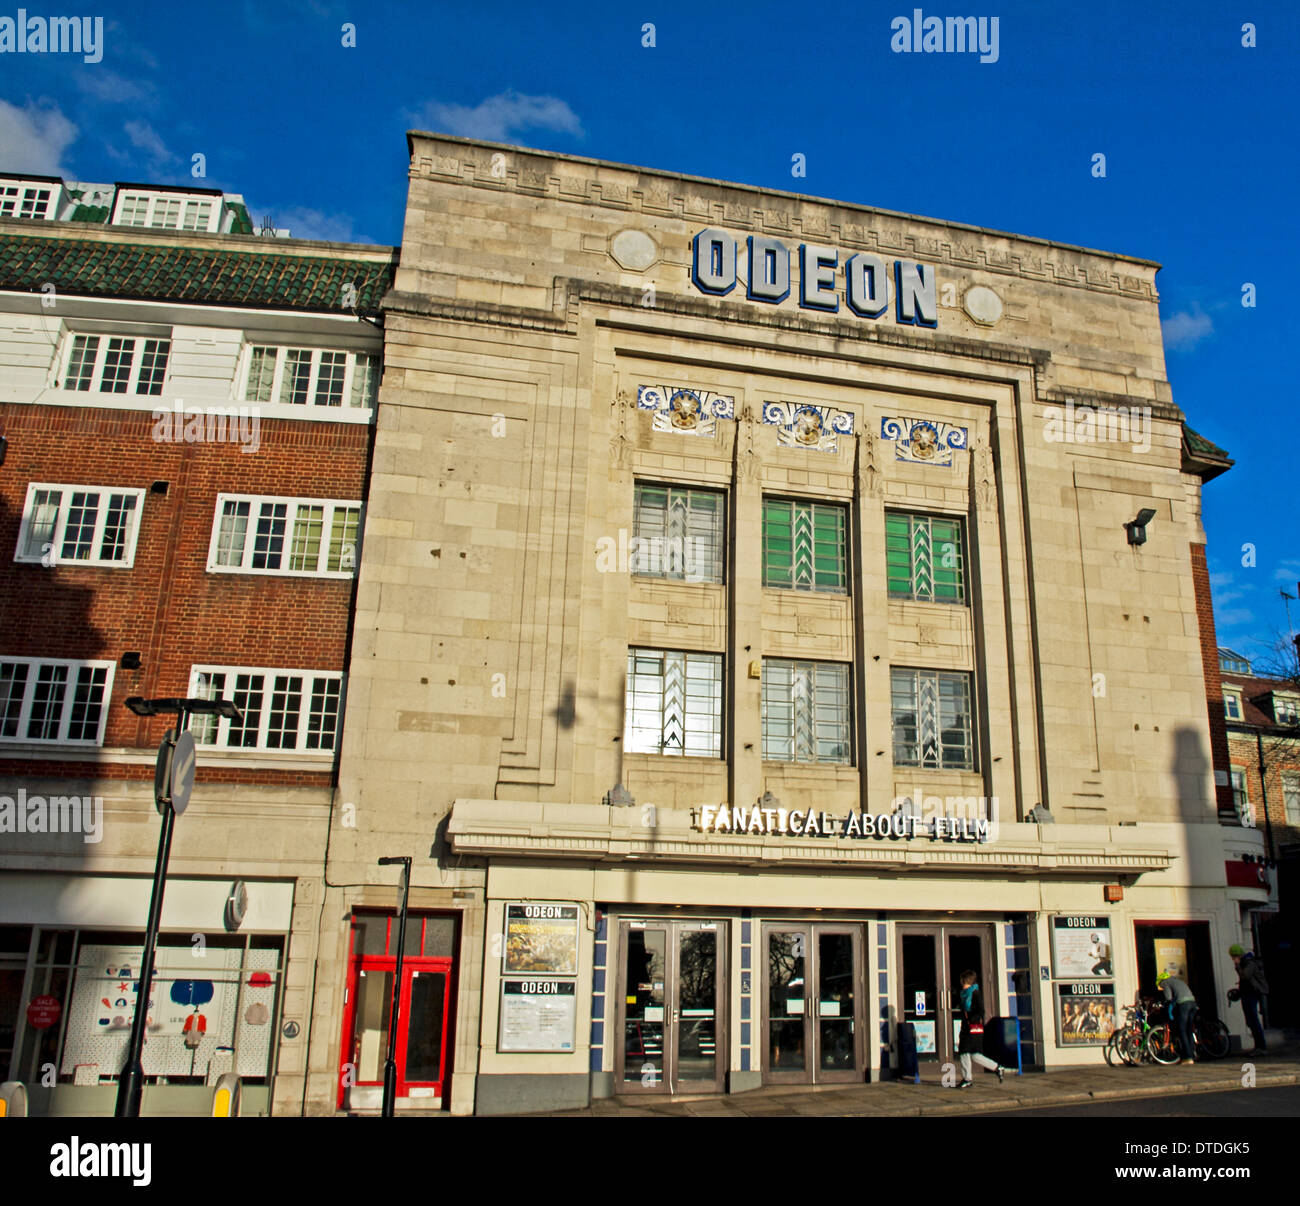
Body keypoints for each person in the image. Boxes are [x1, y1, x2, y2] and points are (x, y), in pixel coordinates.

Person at [955, 969, 1008, 1087]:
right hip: (968, 1028)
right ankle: (997, 1067)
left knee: (965, 1052)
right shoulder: (964, 994)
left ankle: (967, 1079)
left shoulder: (975, 993)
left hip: (972, 1028)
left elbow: (980, 1010)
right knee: (973, 1054)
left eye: (963, 981)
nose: (961, 983)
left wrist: (972, 1019)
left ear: (967, 981)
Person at [1229, 943, 1270, 1054]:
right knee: (1250, 1020)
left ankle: (1261, 1047)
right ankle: (1258, 1046)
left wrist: (1237, 966)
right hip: (1247, 993)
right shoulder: (1246, 962)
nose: (1233, 959)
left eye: (1233, 957)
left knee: (1253, 1019)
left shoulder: (1249, 963)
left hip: (1252, 993)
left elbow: (1245, 976)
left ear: (1237, 955)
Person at [1157, 971, 1198, 1065]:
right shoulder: (1178, 981)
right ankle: (1191, 1055)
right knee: (1189, 1031)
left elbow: (1168, 998)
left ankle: (1187, 1057)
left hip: (1183, 1005)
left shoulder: (1165, 983)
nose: (1161, 987)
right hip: (1192, 1003)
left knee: (1182, 1030)